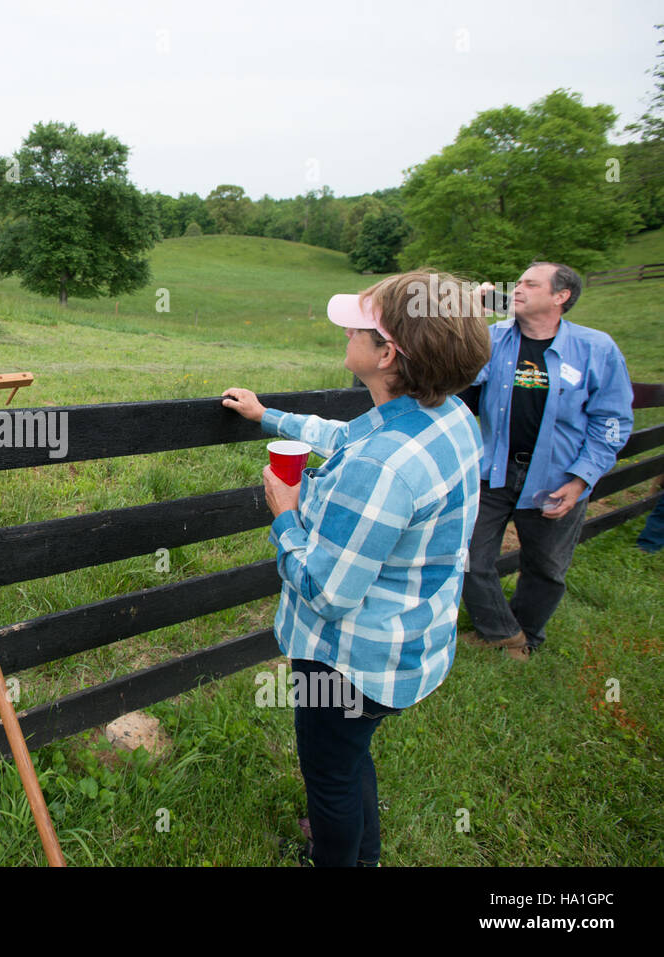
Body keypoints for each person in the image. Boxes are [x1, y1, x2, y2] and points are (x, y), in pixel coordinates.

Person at [222, 270, 491, 866]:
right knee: (349, 755)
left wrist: (286, 515)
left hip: (348, 663)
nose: (346, 329)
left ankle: (339, 857)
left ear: (387, 353)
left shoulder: (381, 468)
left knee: (331, 776)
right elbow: (351, 437)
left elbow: (326, 589)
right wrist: (271, 417)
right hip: (407, 644)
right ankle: (361, 854)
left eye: (359, 326)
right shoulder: (447, 418)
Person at [459, 262, 633, 660]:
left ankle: (528, 632)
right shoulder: (491, 338)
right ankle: (504, 633)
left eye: (530, 284)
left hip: (556, 477)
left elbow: (612, 421)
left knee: (546, 567)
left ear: (560, 296)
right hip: (495, 471)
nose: (517, 288)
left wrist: (580, 480)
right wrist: (469, 320)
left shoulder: (596, 348)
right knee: (467, 556)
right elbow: (454, 376)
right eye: (516, 283)